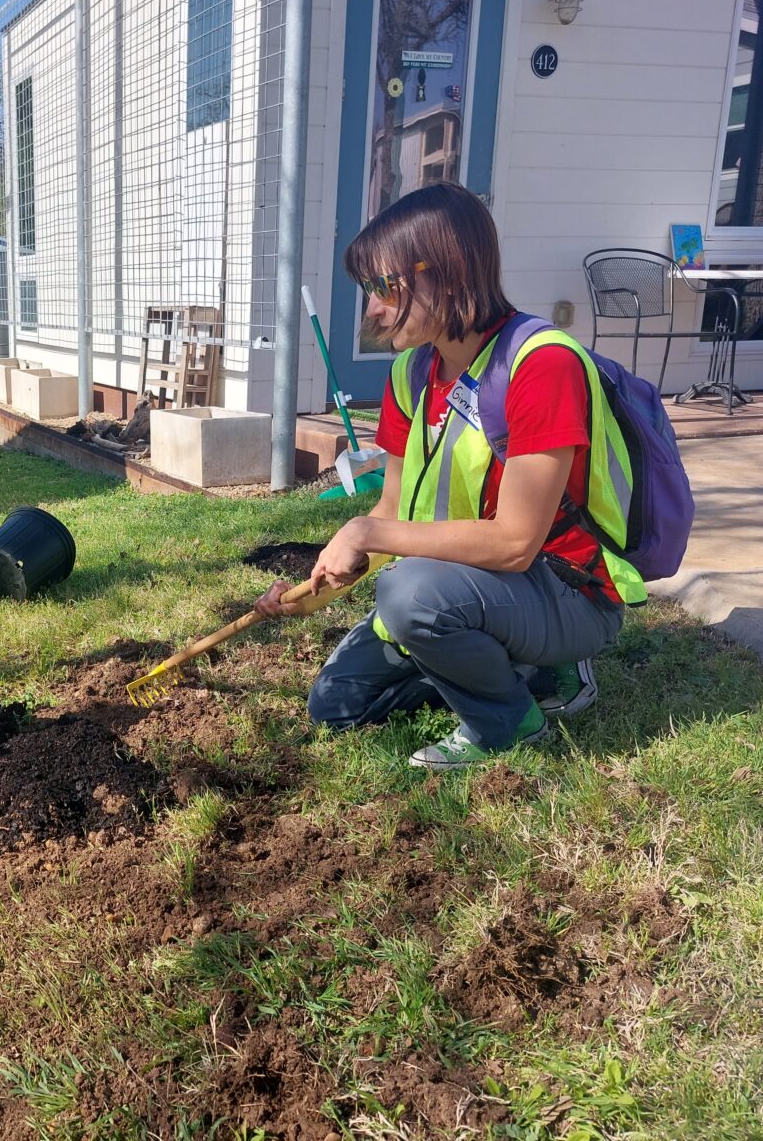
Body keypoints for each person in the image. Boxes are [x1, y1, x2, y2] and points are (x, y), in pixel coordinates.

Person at [256, 182, 633, 771]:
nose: (372, 310)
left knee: (408, 596)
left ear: (450, 273)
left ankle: (507, 721)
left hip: (565, 590)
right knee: (337, 705)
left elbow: (515, 543)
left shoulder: (541, 365)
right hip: (465, 584)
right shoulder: (412, 373)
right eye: (368, 290)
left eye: (385, 287)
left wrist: (365, 534)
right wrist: (316, 592)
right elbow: (392, 511)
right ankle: (513, 667)